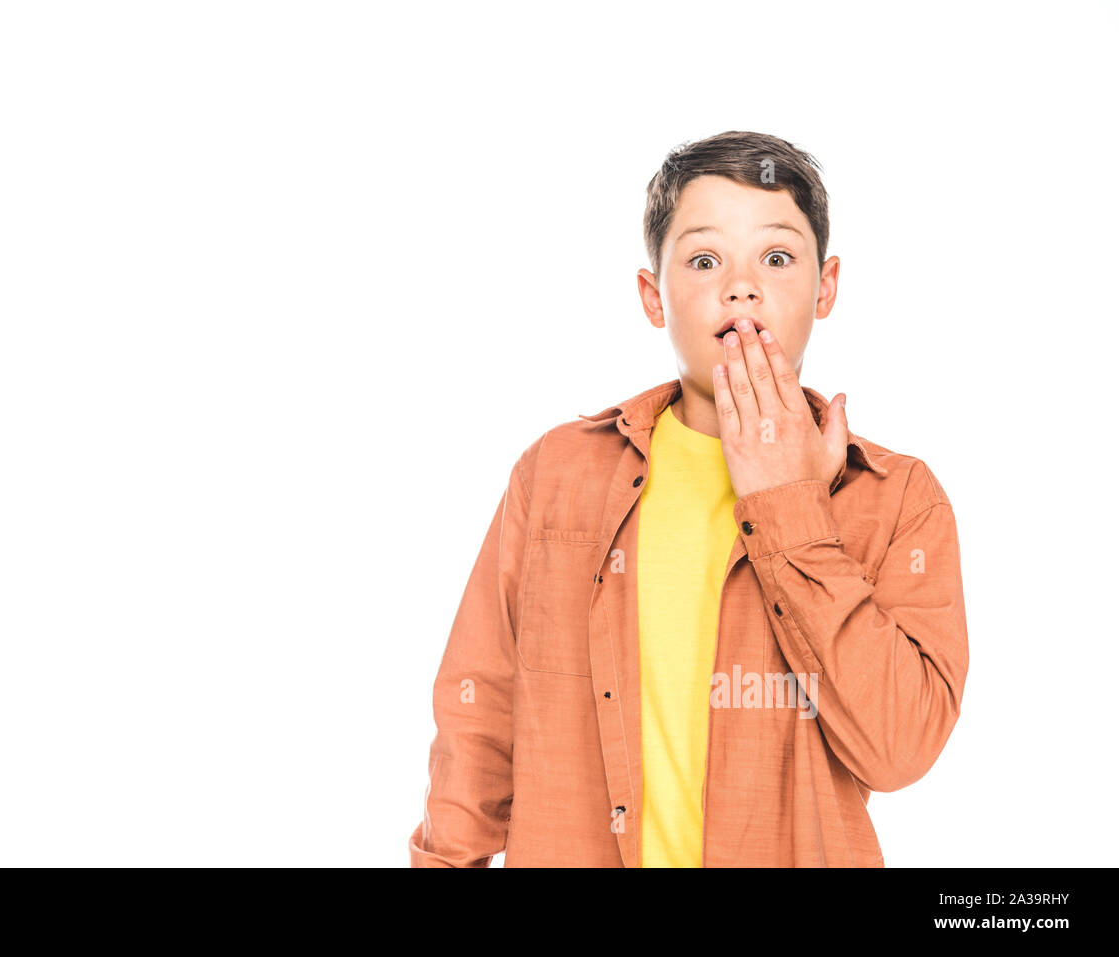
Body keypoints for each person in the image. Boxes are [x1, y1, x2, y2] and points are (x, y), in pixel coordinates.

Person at [409, 130, 969, 867]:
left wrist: (791, 503)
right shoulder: (555, 475)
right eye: (705, 260)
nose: (742, 287)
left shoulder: (899, 498)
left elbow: (899, 749)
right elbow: (478, 714)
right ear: (653, 296)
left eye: (777, 257)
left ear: (826, 287)